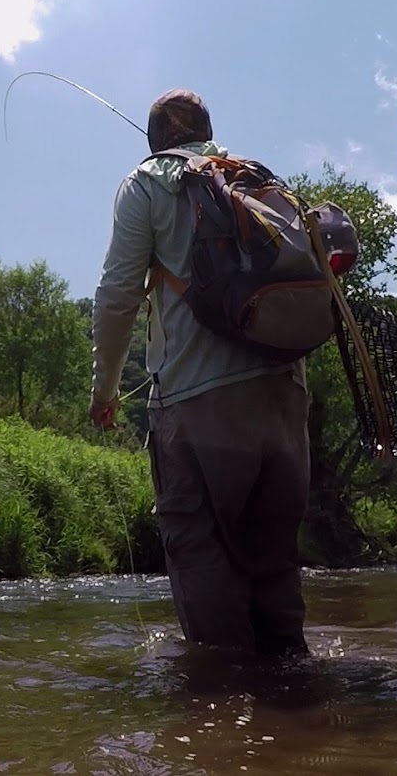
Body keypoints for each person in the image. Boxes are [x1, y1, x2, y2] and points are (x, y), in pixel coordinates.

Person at [88, 88, 312, 659]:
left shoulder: (145, 183)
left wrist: (105, 391)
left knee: (199, 552)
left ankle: (223, 712)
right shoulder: (256, 178)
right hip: (286, 398)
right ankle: (296, 699)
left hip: (196, 403)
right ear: (207, 132)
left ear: (155, 139)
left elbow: (117, 298)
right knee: (275, 560)